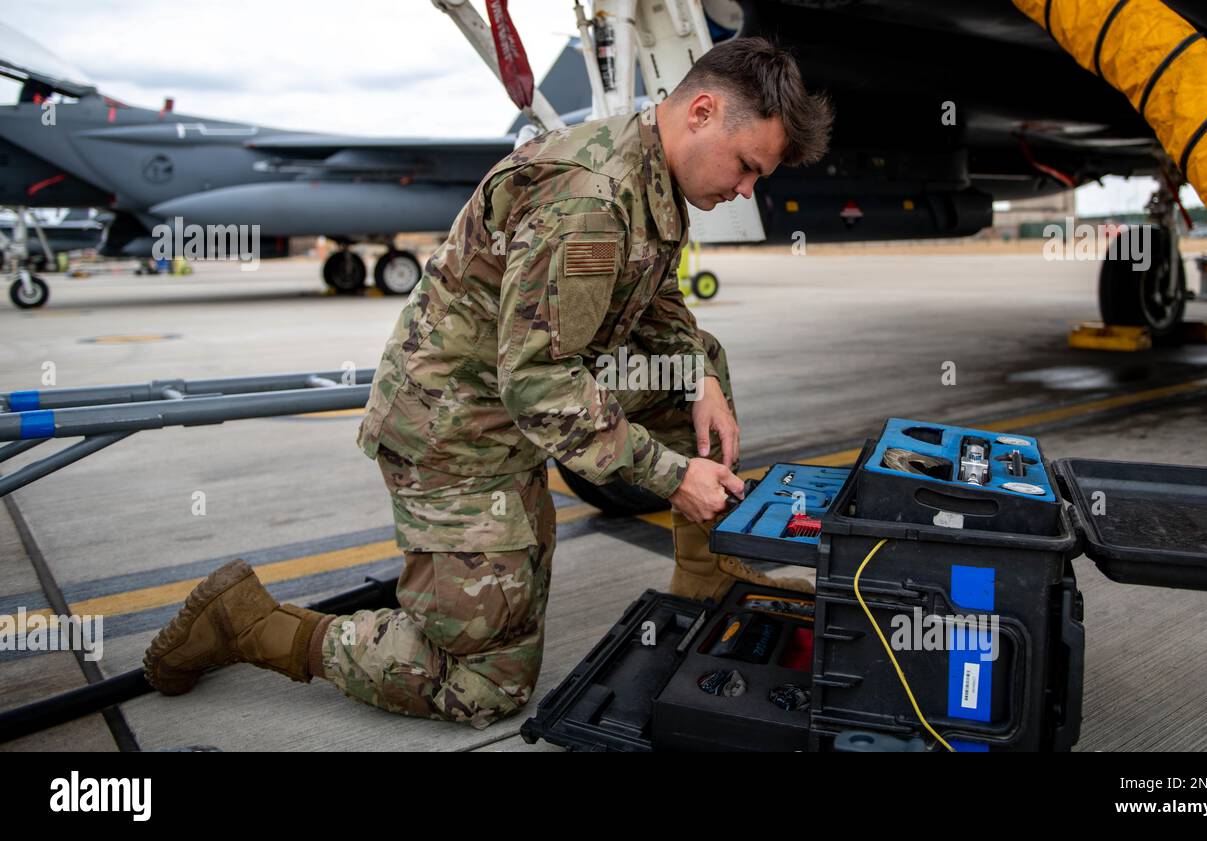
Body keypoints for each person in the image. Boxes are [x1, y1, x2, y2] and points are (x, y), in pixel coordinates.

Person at [143, 36, 833, 729]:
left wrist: (702, 378)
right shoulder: (592, 199)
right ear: (703, 112)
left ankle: (703, 574)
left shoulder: (654, 171)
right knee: (483, 685)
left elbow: (651, 301)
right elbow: (536, 384)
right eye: (747, 167)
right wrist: (672, 475)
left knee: (695, 363)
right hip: (455, 434)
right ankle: (252, 624)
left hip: (522, 400)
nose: (747, 190)